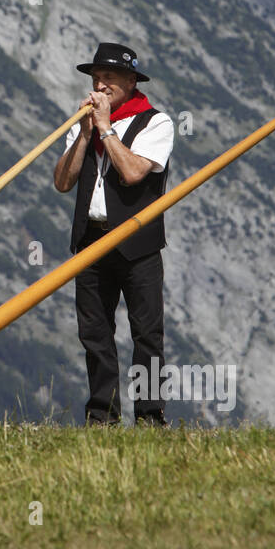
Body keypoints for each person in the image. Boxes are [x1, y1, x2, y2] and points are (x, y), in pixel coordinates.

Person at [54, 42, 174, 426]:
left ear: (130, 82)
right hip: (91, 238)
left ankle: (150, 416)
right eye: (96, 78)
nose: (100, 86)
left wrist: (106, 129)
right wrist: (85, 135)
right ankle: (101, 414)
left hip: (137, 244)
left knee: (147, 334)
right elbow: (62, 181)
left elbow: (134, 172)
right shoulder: (83, 125)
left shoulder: (156, 122)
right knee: (95, 332)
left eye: (108, 78)